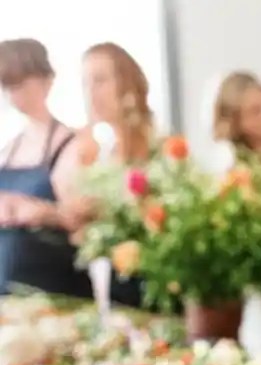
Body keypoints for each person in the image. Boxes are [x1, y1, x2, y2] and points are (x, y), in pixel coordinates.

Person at [0, 38, 93, 297]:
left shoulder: (70, 146)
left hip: (47, 287)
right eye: (7, 85)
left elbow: (82, 223)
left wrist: (40, 212)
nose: (12, 94)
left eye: (19, 84)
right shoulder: (8, 149)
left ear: (46, 81)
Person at [79, 42, 154, 307]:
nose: (91, 93)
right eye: (85, 83)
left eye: (100, 80)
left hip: (154, 284)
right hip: (111, 287)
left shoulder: (159, 148)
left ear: (127, 83)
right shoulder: (98, 155)